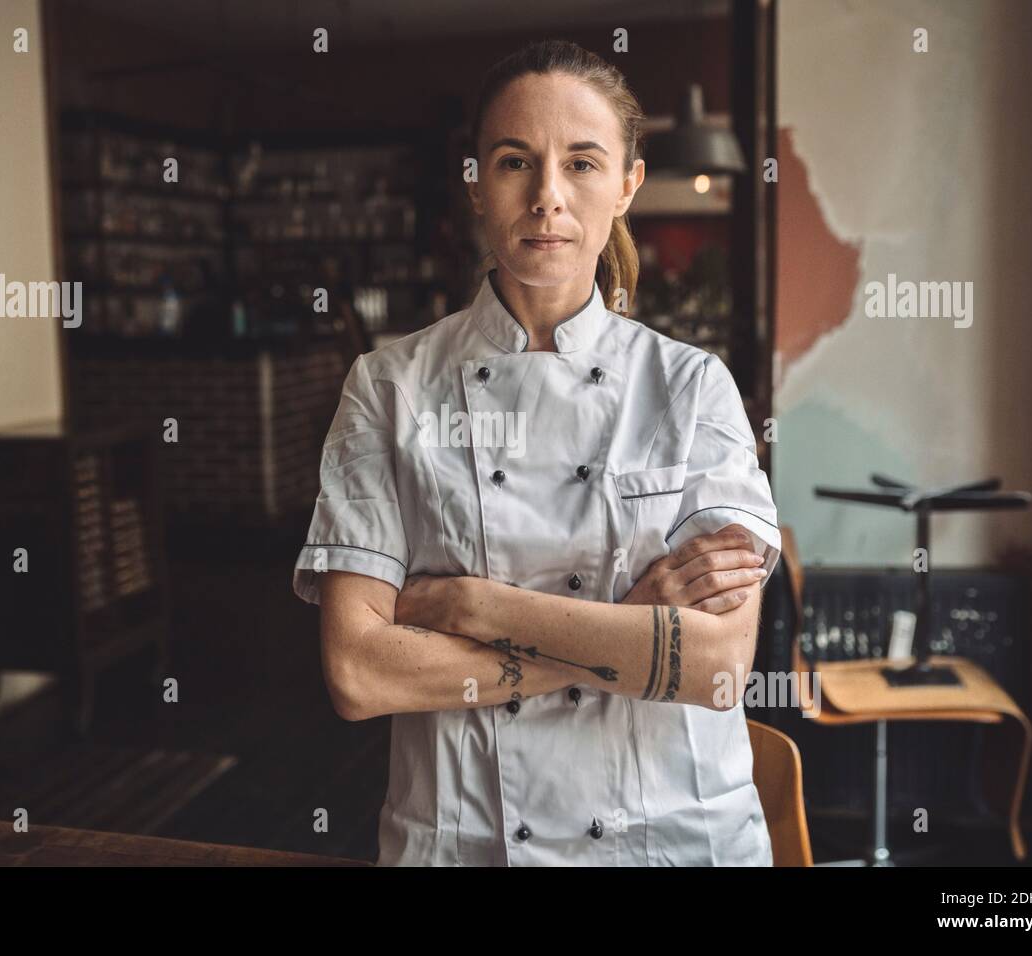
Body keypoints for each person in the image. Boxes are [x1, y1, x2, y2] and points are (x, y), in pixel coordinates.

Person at [291, 39, 782, 866]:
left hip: (669, 836)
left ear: (628, 184)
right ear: (476, 183)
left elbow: (720, 664)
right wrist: (630, 634)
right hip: (467, 837)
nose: (548, 196)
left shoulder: (693, 387)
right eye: (516, 160)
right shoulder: (389, 388)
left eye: (583, 163)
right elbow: (360, 673)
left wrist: (478, 607)